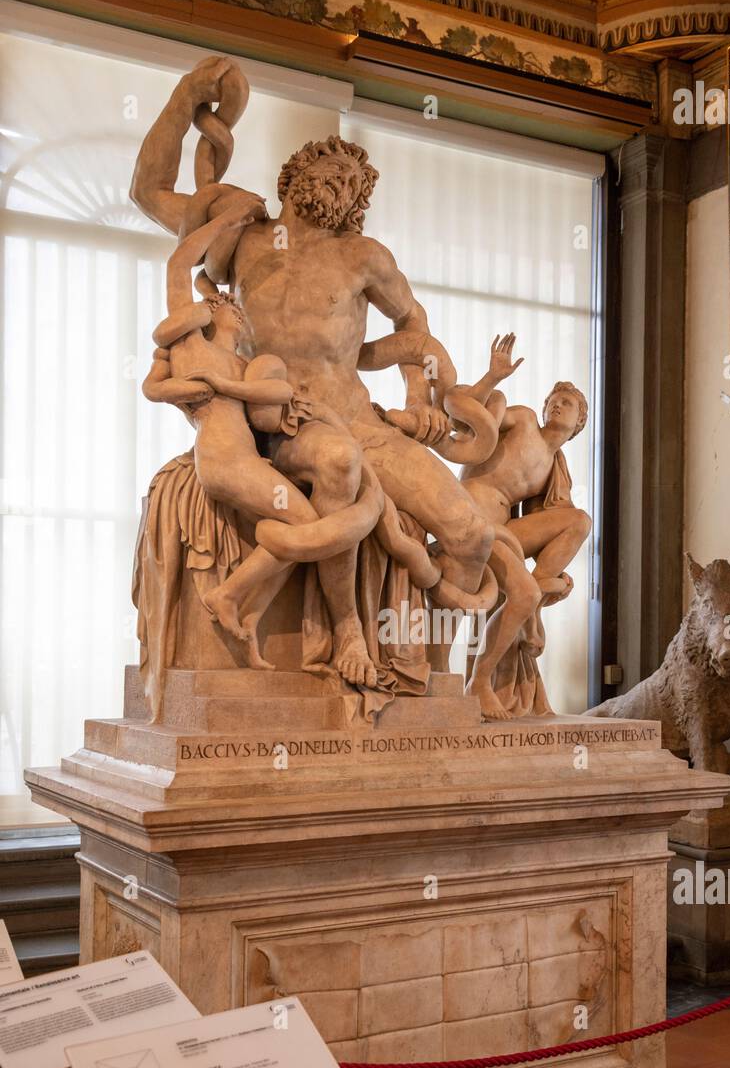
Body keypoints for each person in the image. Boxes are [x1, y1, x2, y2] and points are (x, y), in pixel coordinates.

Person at [131, 55, 496, 681]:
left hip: (362, 419)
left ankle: (439, 688)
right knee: (334, 462)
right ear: (295, 174)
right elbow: (148, 191)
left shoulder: (365, 257)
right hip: (279, 426)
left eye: (357, 178)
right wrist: (184, 97)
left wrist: (415, 398)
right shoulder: (242, 236)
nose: (345, 179)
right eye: (333, 165)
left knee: (471, 533)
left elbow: (415, 329)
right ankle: (347, 630)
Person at [142, 204, 383, 677]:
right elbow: (178, 265)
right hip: (223, 463)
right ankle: (228, 595)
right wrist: (229, 221)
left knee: (302, 531)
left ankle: (245, 615)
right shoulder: (193, 346)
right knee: (303, 529)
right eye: (232, 306)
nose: (239, 312)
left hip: (249, 461)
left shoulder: (240, 367)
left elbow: (270, 401)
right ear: (215, 312)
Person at [457, 336, 592, 720]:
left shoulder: (555, 470)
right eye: (553, 400)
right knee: (526, 594)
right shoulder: (523, 420)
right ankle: (479, 682)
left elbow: (555, 528)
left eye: (567, 403)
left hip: (503, 532)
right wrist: (492, 377)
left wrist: (556, 576)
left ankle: (537, 593)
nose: (556, 404)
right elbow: (470, 416)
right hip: (468, 516)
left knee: (579, 520)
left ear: (579, 421)